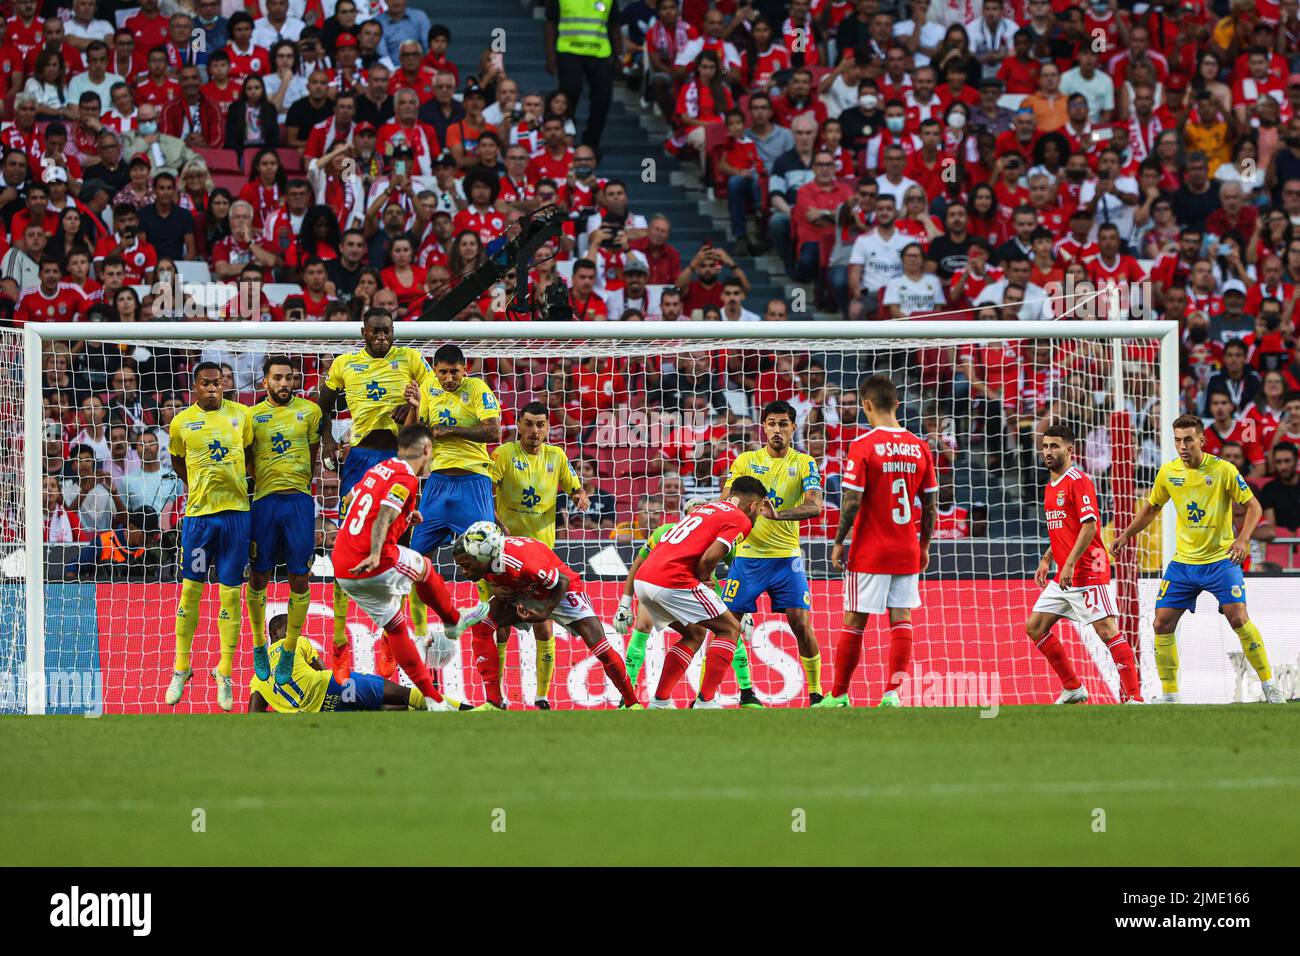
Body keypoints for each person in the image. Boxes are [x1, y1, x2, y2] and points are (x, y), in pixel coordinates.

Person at [1111, 414, 1286, 704]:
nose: (1182, 445)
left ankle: (1269, 686)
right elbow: (1152, 508)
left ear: (1202, 440)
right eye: (1177, 440)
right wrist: (1126, 534)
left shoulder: (1223, 470)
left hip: (1220, 560)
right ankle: (1169, 696)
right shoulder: (1168, 473)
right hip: (1184, 564)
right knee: (1161, 624)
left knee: (1238, 618)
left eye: (1188, 439)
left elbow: (1254, 507)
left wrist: (1242, 539)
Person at [330, 423, 485, 709]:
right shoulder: (406, 478)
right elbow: (384, 514)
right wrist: (376, 552)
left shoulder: (380, 468)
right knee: (424, 566)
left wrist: (406, 516)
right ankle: (453, 621)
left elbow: (350, 499)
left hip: (342, 568)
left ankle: (433, 699)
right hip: (372, 560)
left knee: (396, 628)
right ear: (428, 450)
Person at [817, 375, 938, 709]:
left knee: (854, 619)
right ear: (897, 404)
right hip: (907, 546)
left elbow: (852, 501)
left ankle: (839, 694)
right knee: (901, 619)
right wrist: (924, 545)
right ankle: (892, 694)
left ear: (866, 405)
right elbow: (929, 505)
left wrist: (839, 540)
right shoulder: (920, 446)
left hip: (871, 549)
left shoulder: (864, 445)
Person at [316, 310, 429, 665]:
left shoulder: (411, 359)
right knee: (348, 542)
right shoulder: (345, 364)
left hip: (400, 458)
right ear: (363, 332)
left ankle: (398, 638)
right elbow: (324, 405)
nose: (382, 337)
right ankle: (338, 638)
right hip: (361, 458)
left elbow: (435, 395)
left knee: (403, 544)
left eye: (388, 332)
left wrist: (412, 404)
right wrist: (327, 442)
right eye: (376, 331)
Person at [453, 521, 641, 710]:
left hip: (563, 593)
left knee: (600, 647)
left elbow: (562, 582)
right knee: (482, 625)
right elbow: (492, 573)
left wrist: (544, 612)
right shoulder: (484, 554)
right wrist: (495, 586)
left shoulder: (523, 563)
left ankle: (632, 703)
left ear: (482, 558)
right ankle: (494, 703)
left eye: (466, 565)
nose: (464, 571)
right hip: (526, 590)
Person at [1026, 424, 1143, 705]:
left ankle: (1135, 698)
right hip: (1065, 576)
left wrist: (1068, 565)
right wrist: (1047, 559)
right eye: (1044, 446)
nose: (1047, 452)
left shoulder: (1078, 480)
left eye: (1054, 446)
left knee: (1107, 632)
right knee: (1035, 626)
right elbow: (1061, 531)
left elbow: (1089, 526)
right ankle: (1072, 687)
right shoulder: (1051, 486)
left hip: (1088, 570)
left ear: (1070, 449)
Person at [719, 401, 826, 706]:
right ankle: (708, 695)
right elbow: (727, 500)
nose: (776, 430)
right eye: (770, 424)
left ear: (794, 427)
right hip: (748, 557)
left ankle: (816, 694)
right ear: (763, 427)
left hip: (786, 559)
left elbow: (815, 505)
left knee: (801, 624)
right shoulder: (746, 461)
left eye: (782, 424)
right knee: (726, 626)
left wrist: (780, 515)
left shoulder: (804, 463)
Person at [613, 494, 762, 708]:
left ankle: (743, 691)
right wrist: (624, 604)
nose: (700, 513)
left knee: (700, 632)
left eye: (703, 508)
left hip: (677, 586)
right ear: (686, 515)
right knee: (727, 628)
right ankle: (629, 696)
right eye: (695, 509)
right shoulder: (664, 531)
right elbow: (637, 564)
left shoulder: (718, 536)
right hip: (671, 583)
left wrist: (744, 608)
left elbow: (736, 572)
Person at [163, 364, 255, 712]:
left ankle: (225, 672)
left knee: (231, 594)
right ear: (196, 387)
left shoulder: (242, 416)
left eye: (219, 383)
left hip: (236, 517)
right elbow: (177, 460)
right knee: (192, 589)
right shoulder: (181, 422)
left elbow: (248, 456)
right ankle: (181, 668)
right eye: (207, 384)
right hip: (200, 520)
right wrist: (199, 488)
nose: (214, 389)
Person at [485, 402, 588, 709]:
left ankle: (542, 696)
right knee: (499, 625)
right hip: (505, 555)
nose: (534, 431)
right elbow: (484, 491)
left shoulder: (556, 457)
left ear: (548, 428)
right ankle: (497, 696)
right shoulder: (503, 455)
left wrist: (580, 497)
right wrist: (496, 522)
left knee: (544, 623)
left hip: (541, 557)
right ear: (518, 424)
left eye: (541, 424)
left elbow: (575, 489)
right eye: (529, 423)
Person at [403, 342, 501, 640]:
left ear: (465, 369)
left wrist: (451, 431)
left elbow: (494, 431)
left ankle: (489, 619)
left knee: (487, 559)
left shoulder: (476, 388)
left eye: (454, 372)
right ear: (435, 371)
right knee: (415, 559)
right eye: (443, 372)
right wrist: (413, 408)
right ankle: (420, 634)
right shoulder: (429, 389)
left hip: (473, 482)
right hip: (437, 484)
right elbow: (412, 438)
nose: (448, 378)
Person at [245, 357, 322, 687]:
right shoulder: (251, 417)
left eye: (289, 377)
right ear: (265, 382)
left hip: (299, 502)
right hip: (264, 501)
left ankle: (289, 649)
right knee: (258, 574)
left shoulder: (311, 412)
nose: (284, 383)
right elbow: (246, 458)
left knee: (299, 576)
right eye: (277, 378)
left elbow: (314, 453)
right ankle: (259, 643)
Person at [247, 614, 461, 713]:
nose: (297, 632)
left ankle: (422, 712)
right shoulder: (296, 642)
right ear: (275, 632)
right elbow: (324, 670)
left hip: (321, 711)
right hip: (331, 686)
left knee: (377, 711)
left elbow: (254, 717)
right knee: (399, 693)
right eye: (292, 628)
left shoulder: (257, 678)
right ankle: (463, 710)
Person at [545, 0, 621, 149]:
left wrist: (619, 56)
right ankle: (566, 136)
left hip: (600, 53)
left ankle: (591, 143)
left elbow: (614, 25)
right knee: (569, 91)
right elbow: (551, 23)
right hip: (568, 51)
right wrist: (550, 56)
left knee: (603, 98)